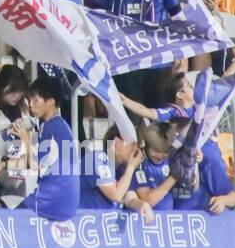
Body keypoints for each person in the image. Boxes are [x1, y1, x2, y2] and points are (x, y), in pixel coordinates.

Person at [16, 74, 79, 220]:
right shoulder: (61, 125)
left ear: (50, 102)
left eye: (35, 99)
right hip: (68, 201)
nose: (31, 105)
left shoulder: (51, 129)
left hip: (53, 200)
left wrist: (25, 139)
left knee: (4, 201)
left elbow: (36, 168)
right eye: (30, 99)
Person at [79, 126, 153, 218]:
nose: (136, 149)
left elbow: (129, 197)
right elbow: (116, 195)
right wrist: (131, 166)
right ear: (116, 142)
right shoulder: (96, 159)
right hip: (86, 223)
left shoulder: (123, 168)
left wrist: (141, 204)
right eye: (133, 144)